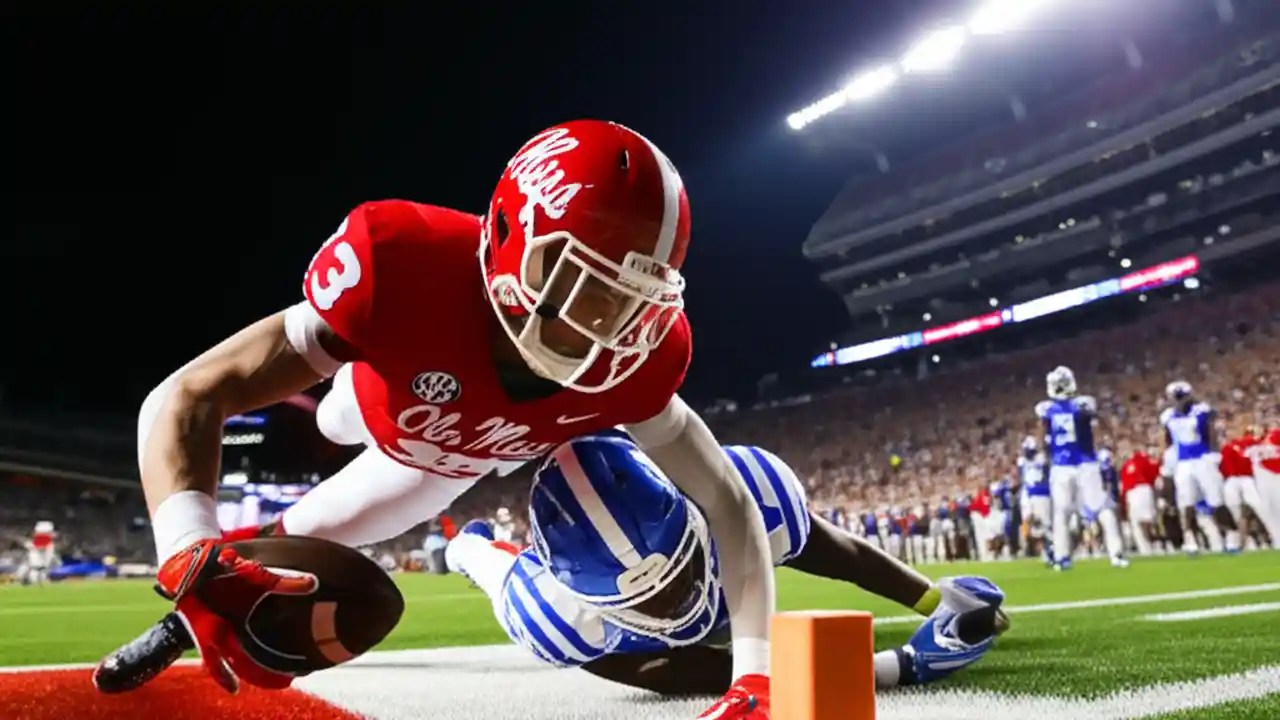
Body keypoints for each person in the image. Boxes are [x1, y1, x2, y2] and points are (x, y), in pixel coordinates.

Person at [115, 120, 777, 718]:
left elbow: (728, 501)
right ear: (513, 238)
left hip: (434, 465)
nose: (609, 331)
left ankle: (175, 630)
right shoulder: (400, 260)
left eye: (631, 304)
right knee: (334, 417)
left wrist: (754, 676)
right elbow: (190, 393)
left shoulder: (644, 357)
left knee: (283, 548)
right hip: (378, 399)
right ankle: (339, 398)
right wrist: (180, 544)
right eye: (586, 288)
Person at [446, 432, 1006, 695]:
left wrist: (935, 598)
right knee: (477, 558)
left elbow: (835, 551)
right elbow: (672, 674)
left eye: (677, 573)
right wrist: (894, 667)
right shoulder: (557, 613)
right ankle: (470, 547)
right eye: (642, 599)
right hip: (539, 585)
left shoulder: (745, 497)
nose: (670, 605)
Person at [1034, 366, 1128, 569]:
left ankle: (1063, 557)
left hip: (1068, 466)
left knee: (1064, 512)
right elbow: (1102, 423)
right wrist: (1108, 441)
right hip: (1083, 463)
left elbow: (1041, 435)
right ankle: (1115, 553)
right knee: (1098, 508)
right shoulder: (1082, 404)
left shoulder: (1049, 409)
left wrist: (1043, 454)